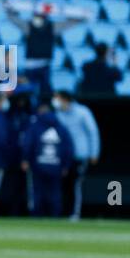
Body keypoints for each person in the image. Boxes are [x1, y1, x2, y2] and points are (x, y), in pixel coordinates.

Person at [51, 91, 99, 220]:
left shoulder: (83, 112)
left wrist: (94, 153)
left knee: (75, 184)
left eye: (57, 98)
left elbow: (92, 133)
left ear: (65, 99)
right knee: (61, 184)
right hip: (62, 156)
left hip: (79, 155)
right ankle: (60, 212)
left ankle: (75, 213)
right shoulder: (58, 114)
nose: (54, 101)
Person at [21, 100, 74, 217]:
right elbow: (68, 148)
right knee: (55, 192)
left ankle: (36, 215)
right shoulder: (61, 127)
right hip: (56, 166)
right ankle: (55, 215)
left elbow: (27, 144)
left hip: (38, 165)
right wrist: (66, 165)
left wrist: (25, 159)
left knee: (36, 191)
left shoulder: (35, 126)